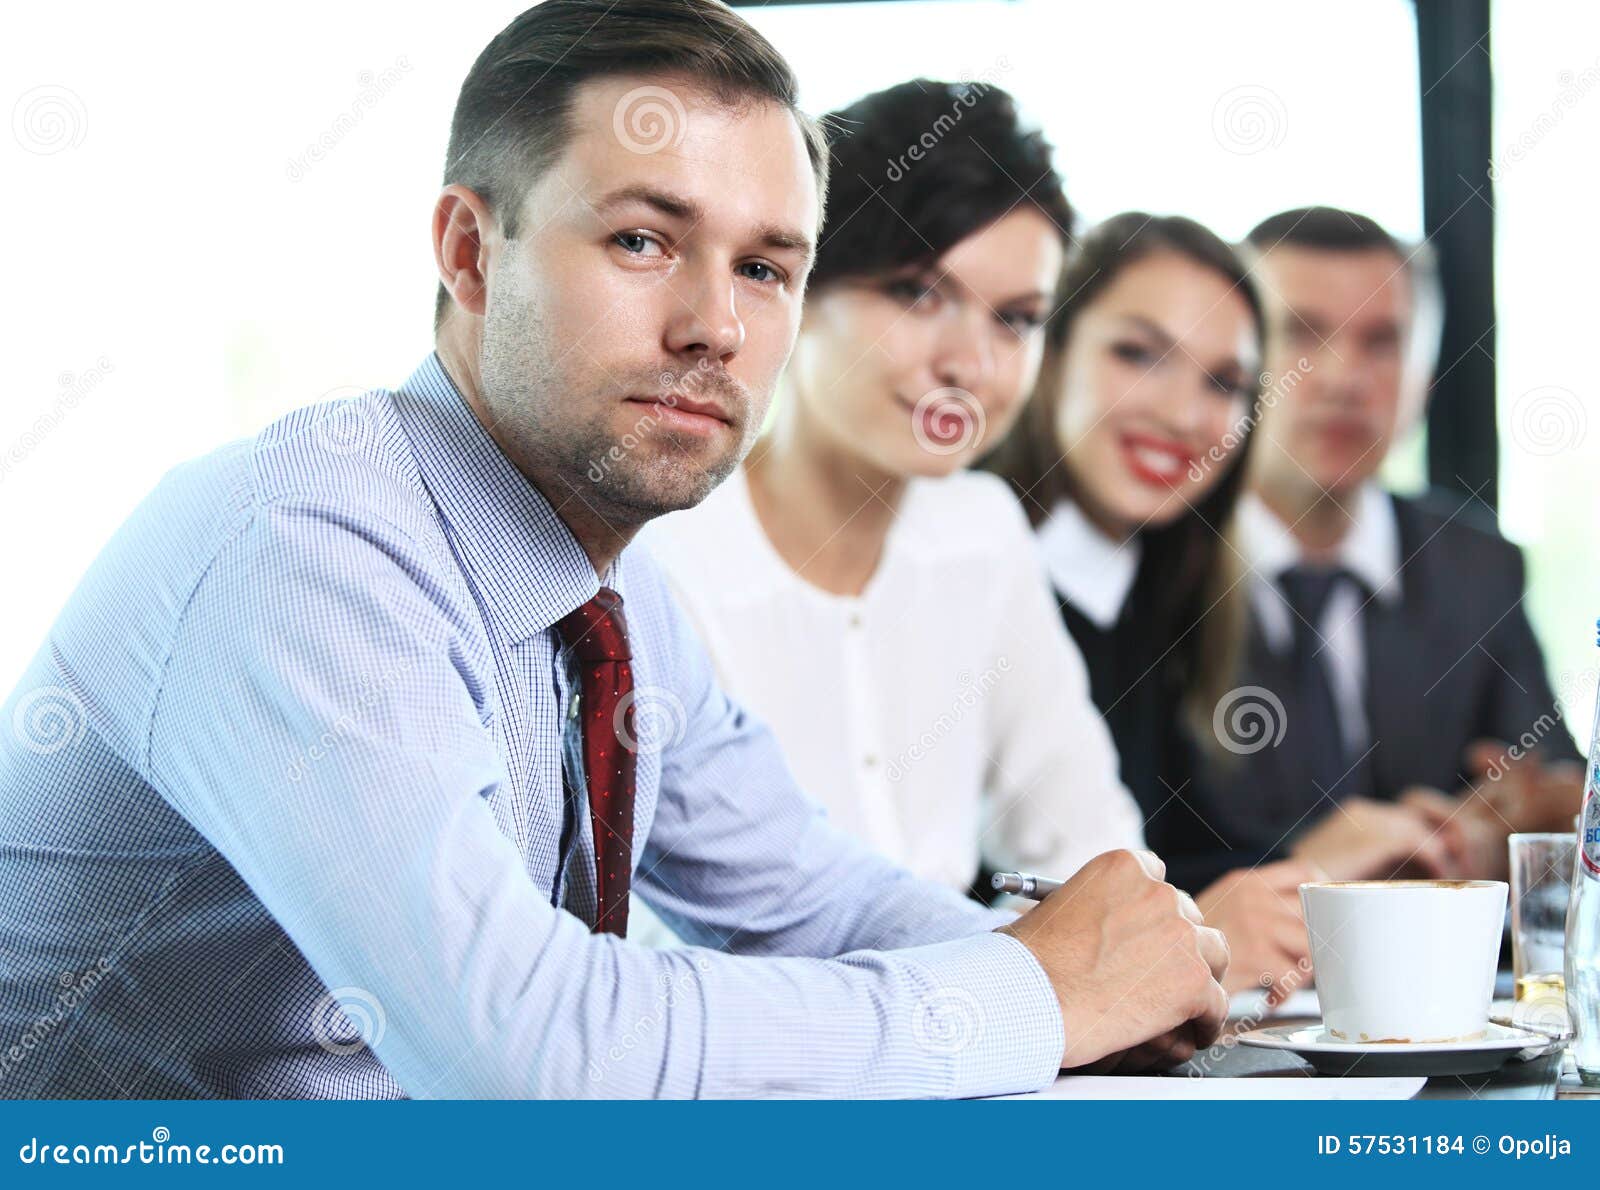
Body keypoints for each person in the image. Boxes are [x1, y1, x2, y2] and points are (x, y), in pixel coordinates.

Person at [0, 0, 1228, 1100]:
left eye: (764, 267)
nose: (716, 327)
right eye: (644, 241)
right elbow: (521, 1048)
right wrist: (1032, 995)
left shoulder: (610, 589)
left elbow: (805, 897)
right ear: (470, 252)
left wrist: (1107, 964)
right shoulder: (303, 543)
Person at [640, 91, 1298, 996]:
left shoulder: (982, 532)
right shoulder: (661, 555)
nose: (971, 363)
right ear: (793, 283)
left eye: (1015, 319)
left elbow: (1095, 858)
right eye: (918, 293)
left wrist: (1169, 944)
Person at [983, 212, 1316, 988]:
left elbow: (1176, 845)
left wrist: (1335, 864)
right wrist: (1203, 927)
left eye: (1223, 384)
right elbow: (958, 898)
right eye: (1139, 354)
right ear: (1051, 350)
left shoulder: (1162, 591)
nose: (1182, 414)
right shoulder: (968, 570)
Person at [1211, 206, 1582, 880]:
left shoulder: (1478, 570)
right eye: (1301, 332)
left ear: (1426, 371)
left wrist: (1514, 825)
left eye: (1381, 341)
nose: (1343, 378)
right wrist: (1317, 871)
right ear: (1230, 359)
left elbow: (1550, 802)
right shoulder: (1151, 568)